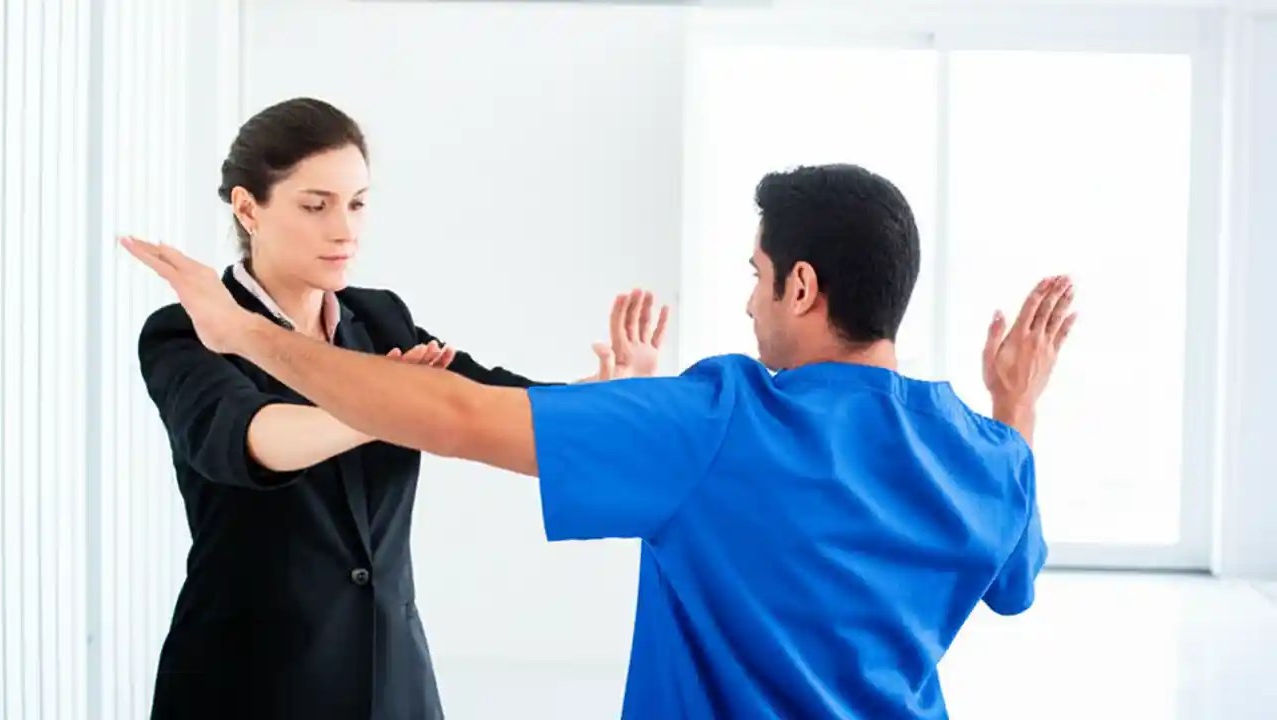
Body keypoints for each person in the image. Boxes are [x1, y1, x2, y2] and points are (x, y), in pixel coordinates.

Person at [124, 162, 1077, 719]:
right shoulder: (987, 455)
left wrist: (246, 334)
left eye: (757, 274)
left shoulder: (719, 420)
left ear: (801, 286)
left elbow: (457, 416)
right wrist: (1015, 406)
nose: (748, 300)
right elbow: (1015, 587)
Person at [134, 97, 669, 720]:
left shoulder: (380, 318)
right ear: (248, 208)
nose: (345, 229)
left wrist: (603, 398)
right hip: (246, 680)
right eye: (316, 205)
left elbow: (487, 400)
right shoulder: (188, 329)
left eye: (357, 203)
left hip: (389, 677)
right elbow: (250, 439)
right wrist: (387, 401)